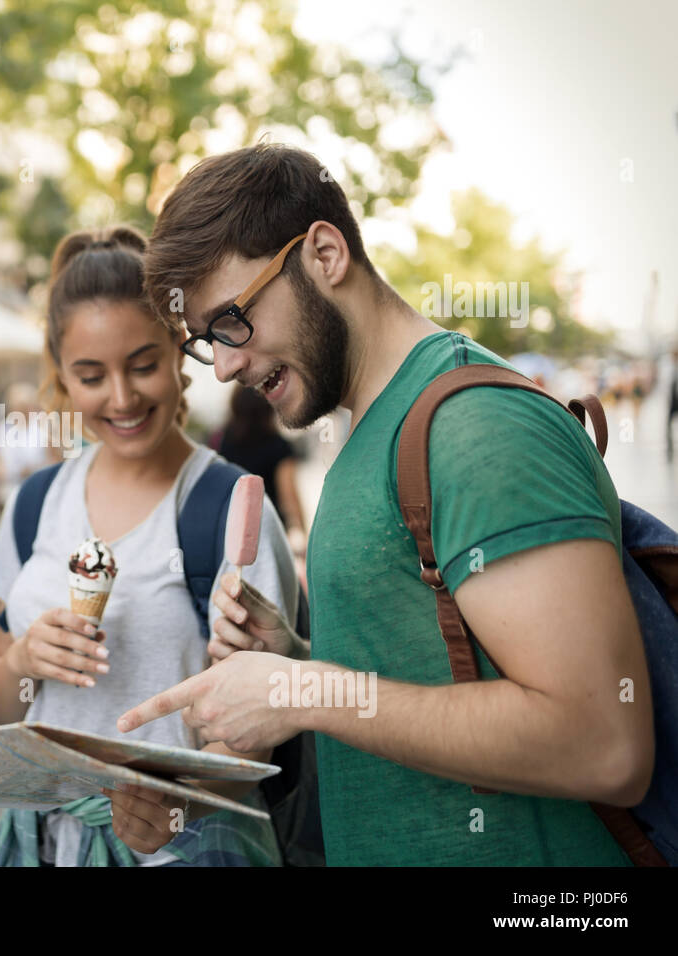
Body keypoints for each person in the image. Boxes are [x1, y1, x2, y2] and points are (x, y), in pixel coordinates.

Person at [118, 142, 652, 865]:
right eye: (205, 342)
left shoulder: (476, 426)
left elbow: (603, 741)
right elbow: (428, 682)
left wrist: (305, 690)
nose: (226, 364)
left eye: (233, 321)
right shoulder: (372, 426)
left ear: (326, 253)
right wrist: (298, 659)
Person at [0, 226, 300, 866]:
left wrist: (183, 802)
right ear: (61, 376)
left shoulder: (230, 509)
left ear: (181, 351)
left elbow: (257, 732)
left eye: (143, 365)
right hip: (50, 846)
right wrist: (20, 664)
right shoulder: (34, 505)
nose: (121, 398)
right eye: (91, 375)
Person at [214, 384, 307, 558]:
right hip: (271, 535)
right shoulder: (278, 446)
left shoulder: (220, 441)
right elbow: (289, 496)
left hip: (229, 532)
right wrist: (301, 531)